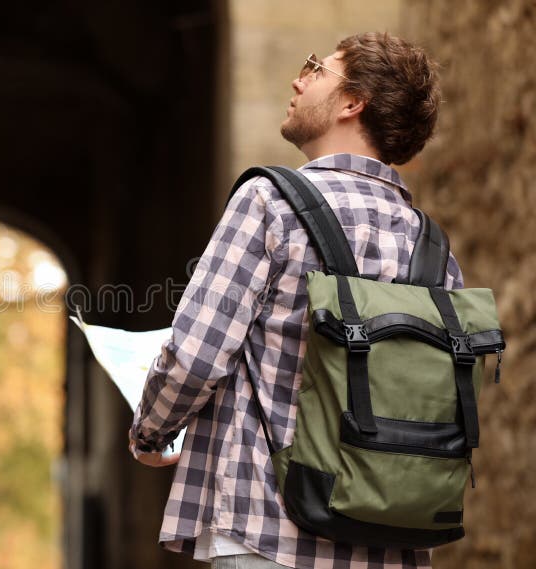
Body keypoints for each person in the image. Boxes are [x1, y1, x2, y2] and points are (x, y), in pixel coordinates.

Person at [128, 32, 463, 569]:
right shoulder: (432, 247)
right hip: (391, 545)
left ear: (353, 103)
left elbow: (196, 355)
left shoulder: (268, 204)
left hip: (272, 532)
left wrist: (150, 431)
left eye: (316, 69)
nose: (298, 79)